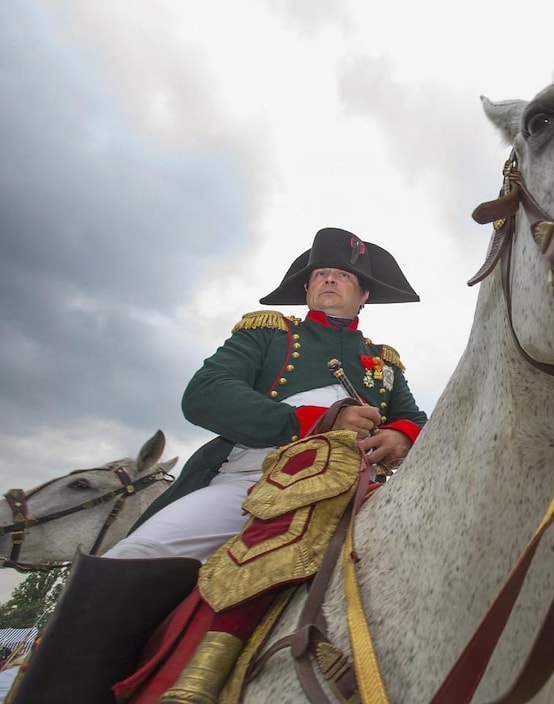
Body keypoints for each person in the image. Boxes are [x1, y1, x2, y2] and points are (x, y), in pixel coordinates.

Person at [12, 227, 428, 704]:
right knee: (133, 556)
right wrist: (316, 420)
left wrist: (400, 434)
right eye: (320, 275)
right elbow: (205, 394)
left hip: (356, 492)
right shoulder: (268, 336)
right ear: (308, 288)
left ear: (365, 293)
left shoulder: (382, 363)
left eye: (342, 275)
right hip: (255, 484)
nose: (329, 280)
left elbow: (415, 419)